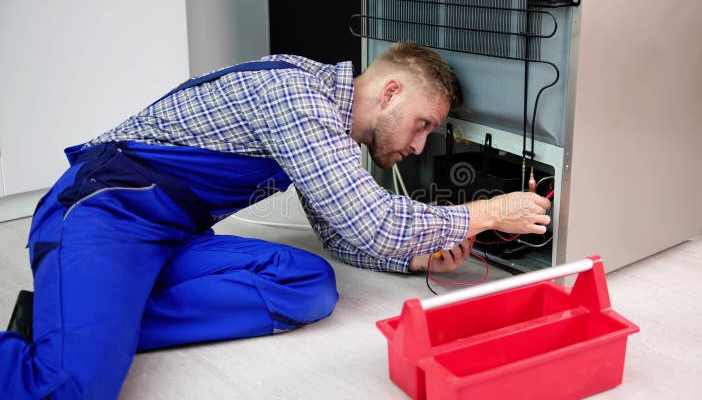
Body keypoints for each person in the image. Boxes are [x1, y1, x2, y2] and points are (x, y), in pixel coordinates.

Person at [0, 41, 551, 399]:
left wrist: (416, 254)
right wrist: (482, 212)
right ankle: (68, 331)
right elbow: (373, 222)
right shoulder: (295, 97)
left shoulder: (325, 124)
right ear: (390, 92)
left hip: (170, 238)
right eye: (423, 123)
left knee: (306, 284)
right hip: (104, 214)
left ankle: (84, 318)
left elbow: (343, 232)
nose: (420, 144)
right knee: (68, 385)